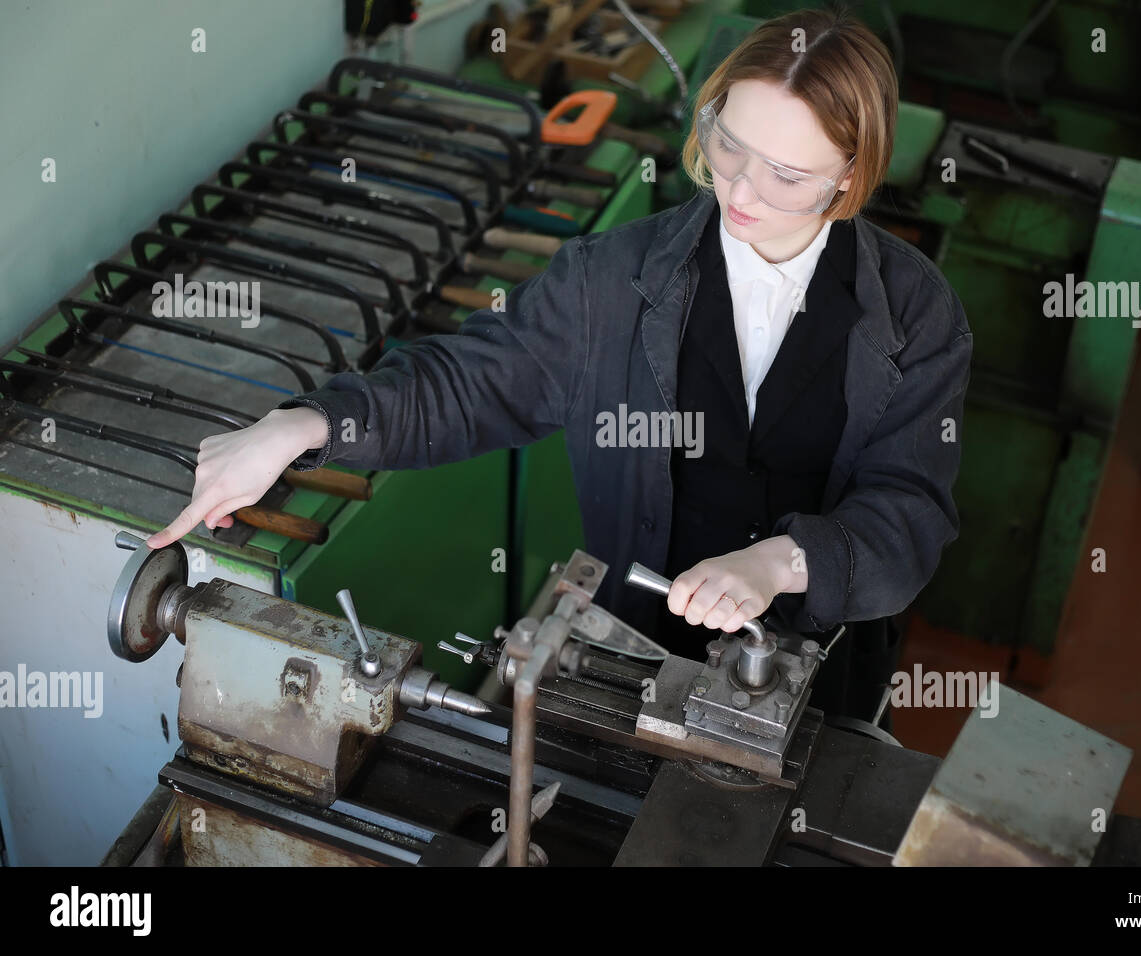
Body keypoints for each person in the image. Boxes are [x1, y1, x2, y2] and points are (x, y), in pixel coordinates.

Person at [146, 5, 972, 726]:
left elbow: (909, 514)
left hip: (821, 679)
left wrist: (781, 563)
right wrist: (306, 424)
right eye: (729, 144)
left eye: (788, 175)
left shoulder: (915, 314)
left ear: (849, 178)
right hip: (638, 653)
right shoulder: (610, 280)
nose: (743, 188)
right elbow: (468, 383)